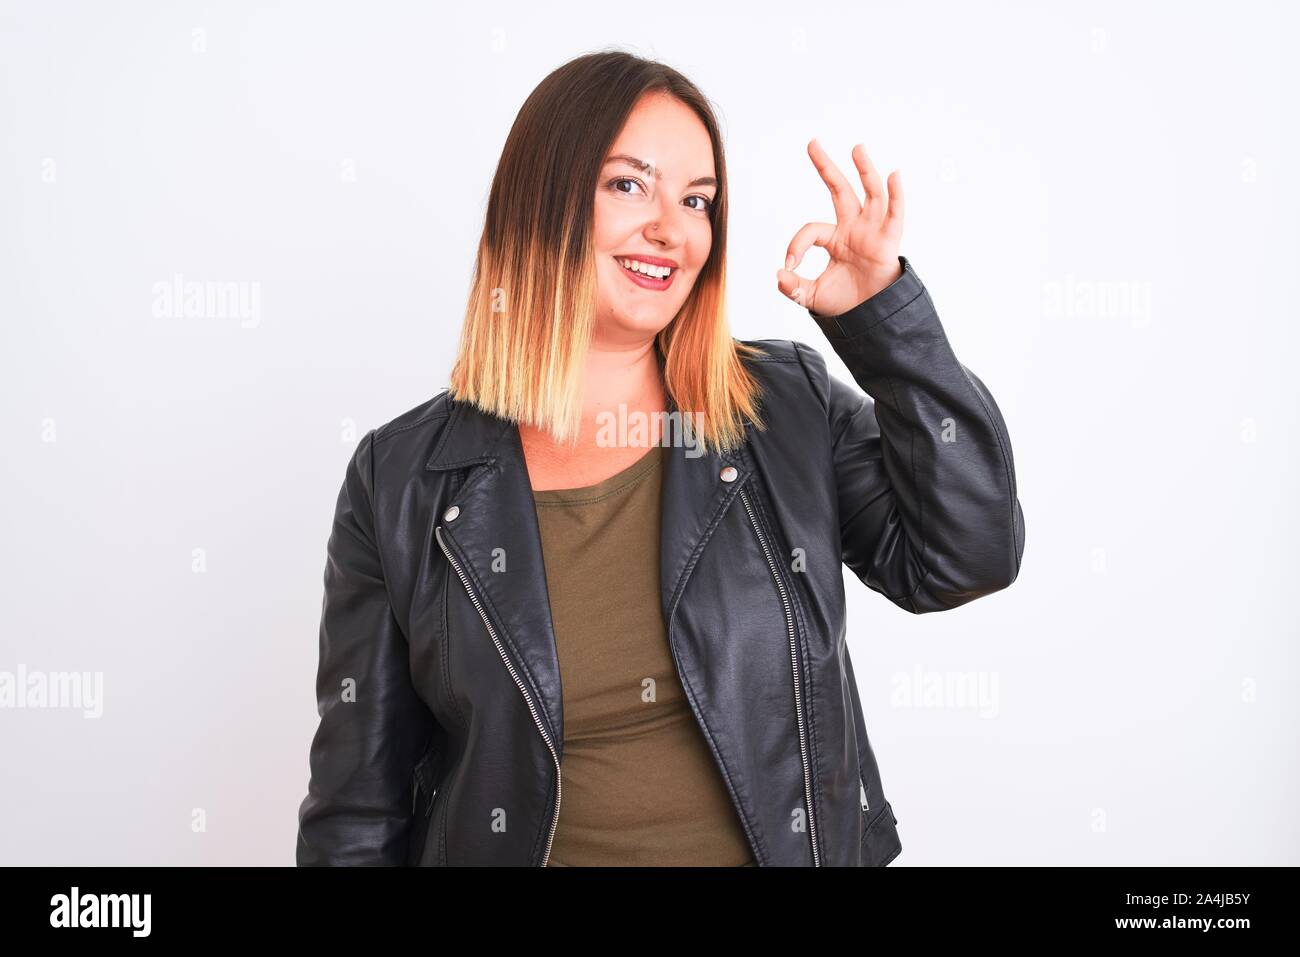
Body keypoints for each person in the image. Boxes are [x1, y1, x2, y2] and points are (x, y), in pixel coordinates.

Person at [296, 50, 1025, 867]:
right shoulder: (399, 478)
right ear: (541, 198)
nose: (671, 229)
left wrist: (883, 319)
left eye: (697, 200)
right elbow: (357, 812)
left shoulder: (781, 405)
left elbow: (966, 555)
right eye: (628, 185)